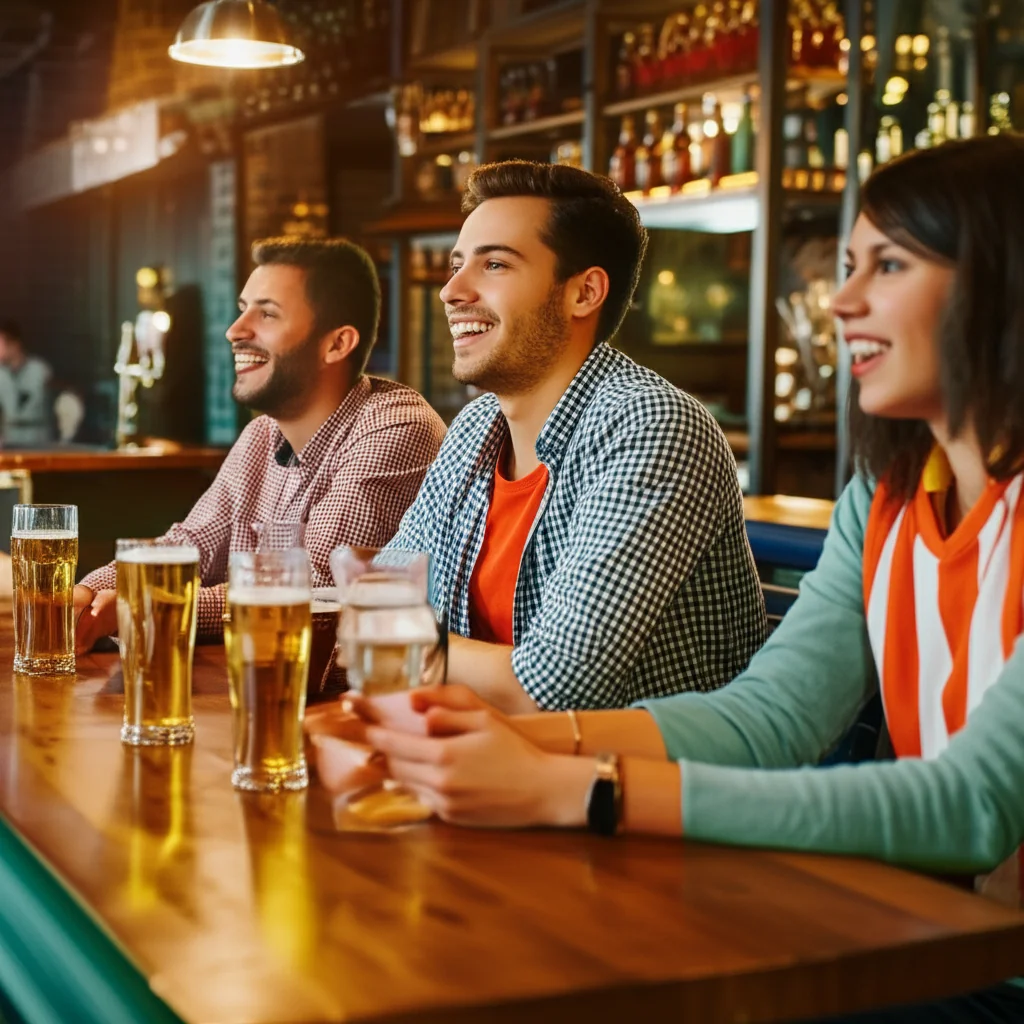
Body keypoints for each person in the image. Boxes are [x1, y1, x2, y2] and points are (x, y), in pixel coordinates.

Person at [311, 136, 1024, 1022]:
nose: (841, 303)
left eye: (889, 265)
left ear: (1001, 282)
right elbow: (768, 719)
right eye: (848, 268)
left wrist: (570, 783)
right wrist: (506, 748)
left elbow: (970, 806)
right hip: (934, 933)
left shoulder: (652, 423)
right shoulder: (883, 494)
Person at [383, 160, 766, 713]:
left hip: (630, 766)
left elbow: (558, 686)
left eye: (494, 264)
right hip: (478, 751)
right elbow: (384, 590)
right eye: (457, 265)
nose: (451, 291)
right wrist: (393, 631)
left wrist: (398, 640)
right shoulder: (475, 427)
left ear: (584, 292)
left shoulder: (652, 426)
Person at [75, 237, 446, 651]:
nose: (235, 331)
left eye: (267, 313)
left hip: (342, 687)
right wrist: (87, 593)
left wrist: (152, 604)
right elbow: (192, 543)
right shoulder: (262, 433)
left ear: (337, 344)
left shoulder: (396, 427)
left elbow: (316, 589)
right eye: (242, 309)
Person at [0, 320, 54, 446]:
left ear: (14, 345)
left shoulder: (40, 370)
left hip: (39, 442)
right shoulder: (0, 375)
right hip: (9, 441)